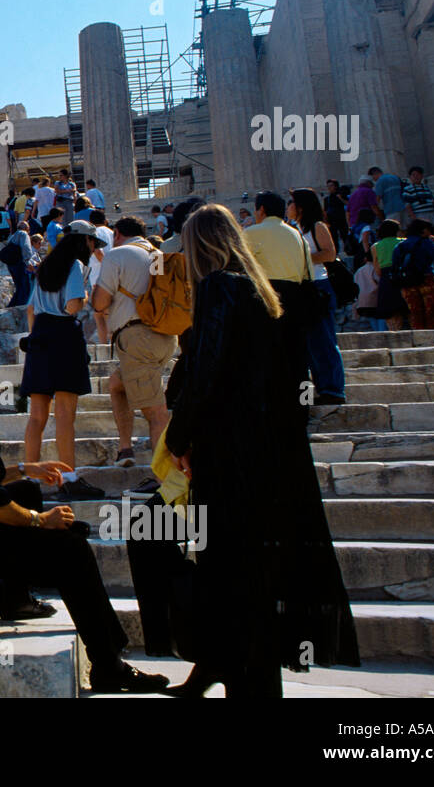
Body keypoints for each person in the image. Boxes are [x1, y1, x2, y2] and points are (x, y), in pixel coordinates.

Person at [146, 203, 358, 697]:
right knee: (250, 571)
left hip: (230, 452)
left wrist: (178, 438)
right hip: (268, 452)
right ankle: (232, 669)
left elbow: (209, 369)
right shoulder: (264, 293)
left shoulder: (219, 286)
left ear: (200, 246)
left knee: (222, 564)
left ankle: (237, 674)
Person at [0, 343, 169, 693]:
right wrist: (43, 521)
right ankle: (107, 662)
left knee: (25, 491)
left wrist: (26, 469)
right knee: (72, 550)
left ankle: (12, 597)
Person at [20, 222, 102, 500]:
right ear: (84, 242)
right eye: (93, 243)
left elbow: (31, 308)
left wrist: (35, 338)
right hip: (63, 336)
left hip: (40, 336)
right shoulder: (75, 266)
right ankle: (68, 479)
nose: (94, 249)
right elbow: (72, 305)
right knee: (65, 413)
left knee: (36, 415)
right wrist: (86, 296)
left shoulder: (45, 266)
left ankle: (30, 480)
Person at [91, 218, 177, 467]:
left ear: (116, 233)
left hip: (137, 337)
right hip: (163, 335)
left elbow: (100, 303)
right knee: (116, 385)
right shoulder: (158, 254)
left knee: (155, 412)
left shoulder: (117, 255)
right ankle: (125, 448)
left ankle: (164, 477)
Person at [288, 188, 347, 404]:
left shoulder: (317, 226)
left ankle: (334, 389)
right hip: (303, 286)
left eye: (291, 203)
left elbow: (330, 254)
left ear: (301, 206)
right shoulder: (295, 229)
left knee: (324, 339)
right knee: (311, 342)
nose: (289, 207)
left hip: (319, 285)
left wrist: (301, 257)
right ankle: (322, 388)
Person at [391, 220, 434, 330]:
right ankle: (432, 337)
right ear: (424, 230)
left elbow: (395, 265)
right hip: (427, 279)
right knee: (431, 312)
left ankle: (418, 336)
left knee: (415, 313)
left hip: (407, 282)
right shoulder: (426, 242)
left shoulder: (400, 246)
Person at [4, 222, 35, 307]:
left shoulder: (13, 235)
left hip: (11, 264)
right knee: (25, 286)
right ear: (26, 228)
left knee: (18, 286)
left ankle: (13, 305)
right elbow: (26, 248)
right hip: (19, 263)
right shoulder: (24, 234)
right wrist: (28, 262)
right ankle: (22, 306)